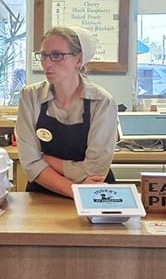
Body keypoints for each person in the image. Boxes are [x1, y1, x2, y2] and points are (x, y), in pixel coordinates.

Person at [15, 26, 118, 197]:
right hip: (44, 194)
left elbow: (94, 169)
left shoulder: (102, 102)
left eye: (57, 55)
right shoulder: (30, 96)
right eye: (43, 55)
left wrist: (47, 160)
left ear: (78, 60)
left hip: (93, 192)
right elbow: (30, 164)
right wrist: (75, 190)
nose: (47, 63)